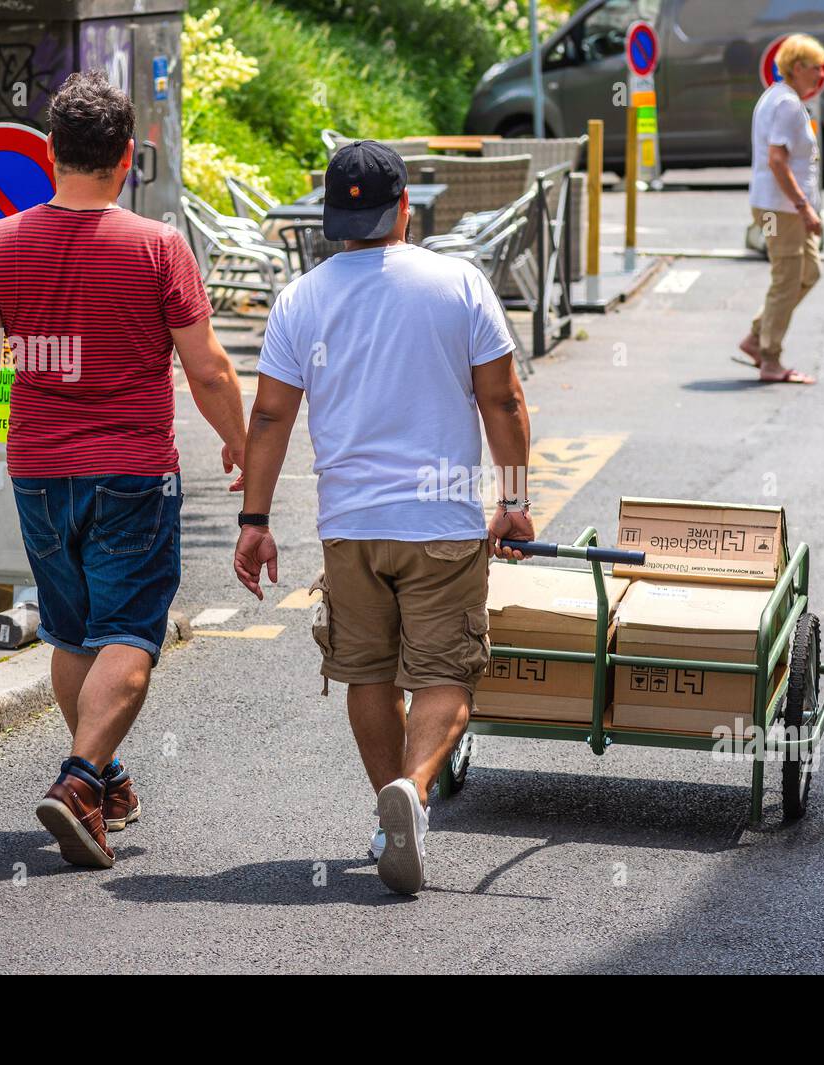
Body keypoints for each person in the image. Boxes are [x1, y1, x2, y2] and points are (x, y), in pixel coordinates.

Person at [0, 71, 247, 868]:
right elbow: (206, 369)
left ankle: (108, 778)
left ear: (51, 154)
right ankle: (76, 781)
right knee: (129, 633)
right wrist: (239, 440)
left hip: (37, 474)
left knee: (70, 631)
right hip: (132, 471)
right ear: (126, 156)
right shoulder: (159, 246)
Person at [232, 141, 533, 895]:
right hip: (442, 523)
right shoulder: (458, 283)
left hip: (351, 526)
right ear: (404, 209)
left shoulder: (301, 299)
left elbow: (269, 417)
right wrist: (517, 501)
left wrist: (255, 519)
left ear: (335, 218)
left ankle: (389, 814)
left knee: (365, 671)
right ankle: (415, 791)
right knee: (447, 674)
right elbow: (502, 400)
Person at [740, 33, 824, 385]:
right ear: (796, 67)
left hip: (776, 208)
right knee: (787, 278)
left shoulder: (777, 97)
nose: (820, 76)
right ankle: (770, 358)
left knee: (808, 273)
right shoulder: (787, 105)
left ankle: (757, 336)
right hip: (780, 212)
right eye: (815, 69)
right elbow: (778, 160)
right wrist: (804, 207)